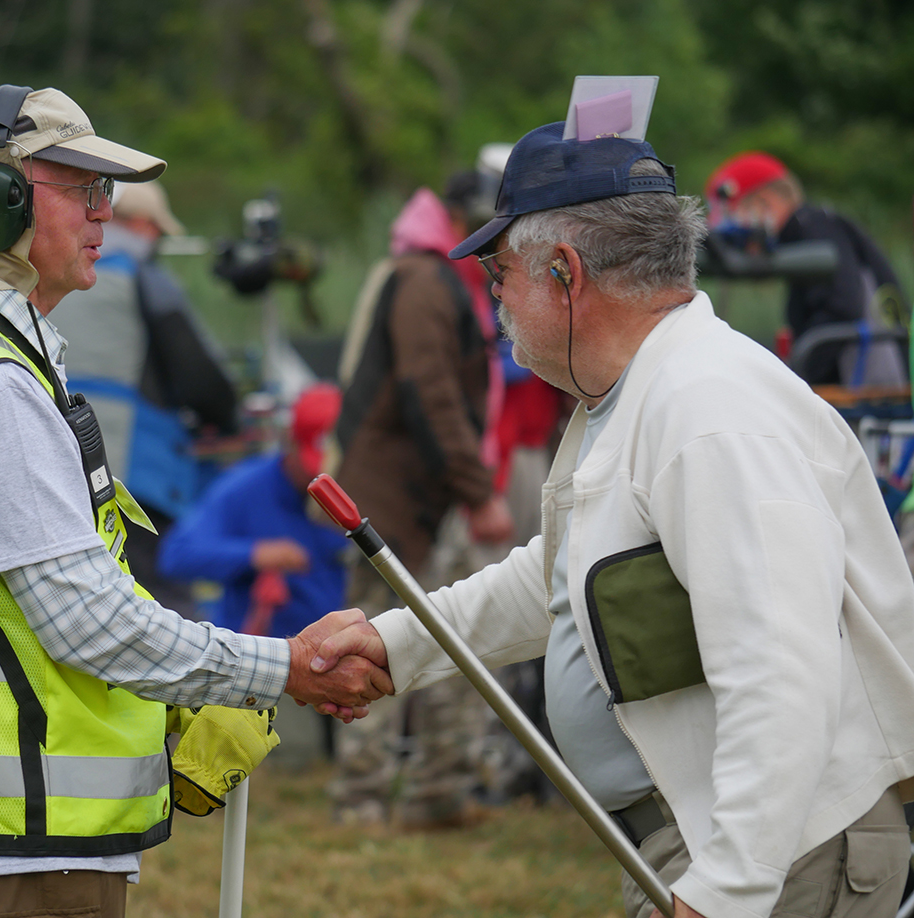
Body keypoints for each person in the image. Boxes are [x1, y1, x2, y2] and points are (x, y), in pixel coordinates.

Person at [0, 84, 387, 918]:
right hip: (22, 827)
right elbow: (84, 621)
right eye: (81, 188)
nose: (103, 214)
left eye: (105, 191)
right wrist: (280, 668)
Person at [313, 118, 914, 918]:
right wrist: (398, 642)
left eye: (499, 272)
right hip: (718, 843)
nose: (494, 297)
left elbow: (780, 668)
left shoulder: (709, 413)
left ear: (563, 273)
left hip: (780, 859)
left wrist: (728, 889)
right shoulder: (641, 392)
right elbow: (558, 579)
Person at [327, 173, 514, 828]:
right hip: (395, 504)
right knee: (372, 643)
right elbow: (430, 392)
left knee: (432, 642)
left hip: (409, 499)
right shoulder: (423, 282)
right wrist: (478, 490)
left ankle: (430, 794)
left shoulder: (424, 275)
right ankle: (364, 802)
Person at [48, 179, 239, 619]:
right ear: (139, 223)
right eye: (155, 229)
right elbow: (199, 371)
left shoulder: (55, 272)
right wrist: (227, 416)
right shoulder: (143, 276)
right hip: (133, 472)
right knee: (159, 599)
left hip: (64, 458)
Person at [157, 382, 348, 640]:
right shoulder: (244, 487)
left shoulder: (356, 492)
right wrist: (255, 554)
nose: (320, 481)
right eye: (312, 468)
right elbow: (176, 554)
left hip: (339, 652)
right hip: (255, 656)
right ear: (289, 441)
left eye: (329, 469)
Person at [705, 151, 908, 386]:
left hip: (872, 389)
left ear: (764, 202)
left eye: (733, 214)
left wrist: (793, 380)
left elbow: (842, 308)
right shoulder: (811, 227)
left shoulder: (813, 226)